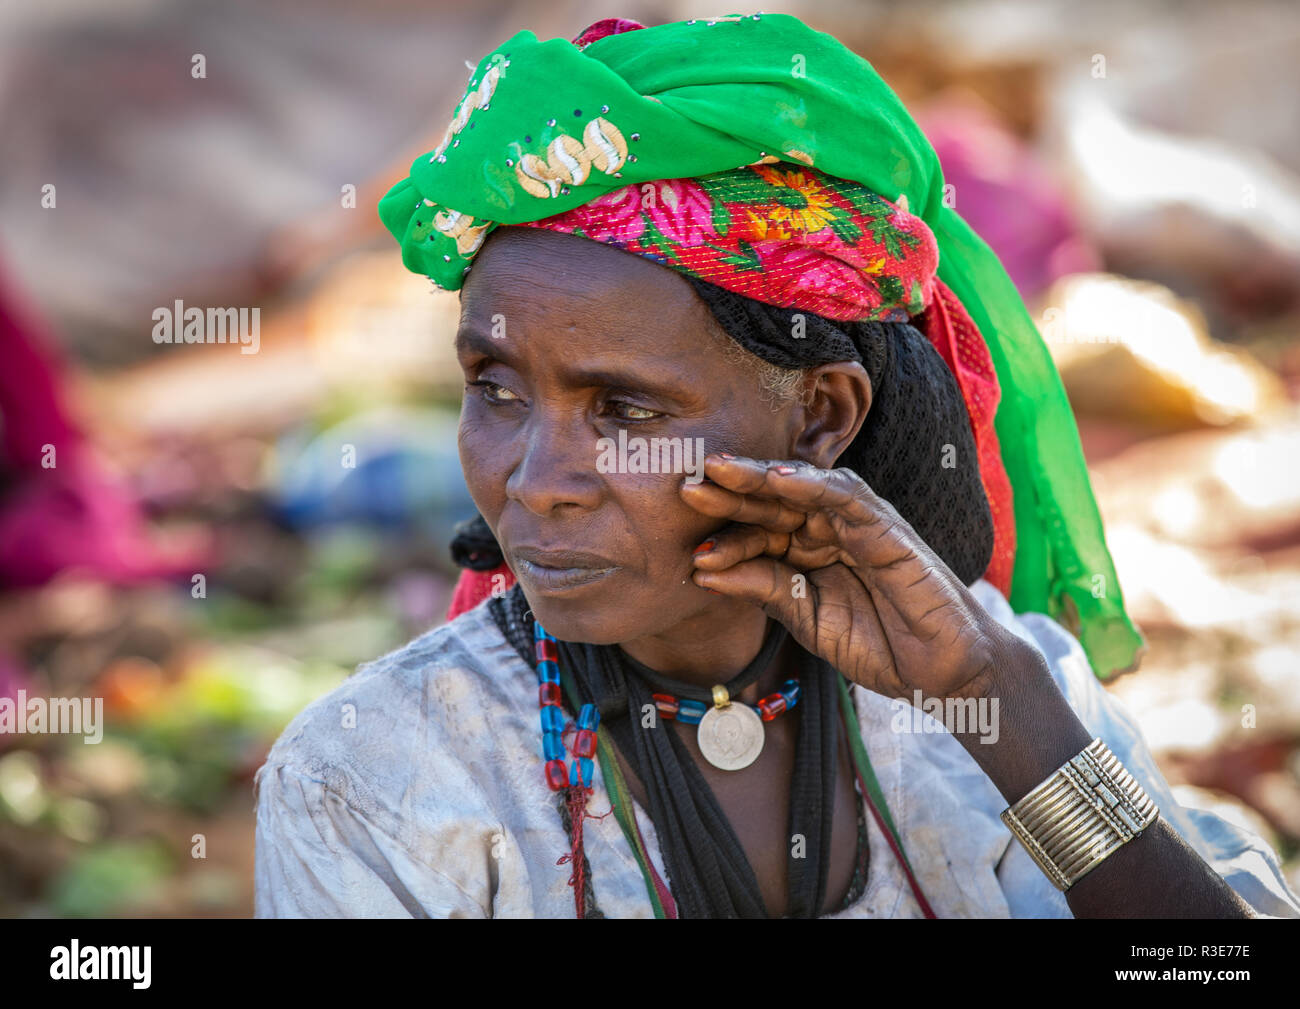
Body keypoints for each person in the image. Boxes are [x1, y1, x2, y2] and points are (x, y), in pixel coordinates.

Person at [253, 14, 1300, 918]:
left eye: (624, 409)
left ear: (820, 418)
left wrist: (1007, 712)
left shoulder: (992, 696)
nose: (536, 479)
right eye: (496, 390)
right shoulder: (377, 774)